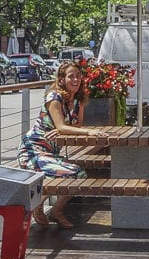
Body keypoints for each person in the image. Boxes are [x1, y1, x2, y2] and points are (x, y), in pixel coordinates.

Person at [17, 61, 93, 228]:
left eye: (78, 76)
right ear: (62, 79)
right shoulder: (54, 97)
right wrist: (87, 132)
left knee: (80, 176)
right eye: (71, 76)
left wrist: (64, 130)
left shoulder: (79, 100)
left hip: (52, 153)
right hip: (34, 152)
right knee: (74, 174)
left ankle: (54, 211)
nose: (75, 80)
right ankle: (38, 204)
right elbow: (61, 126)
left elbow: (77, 124)